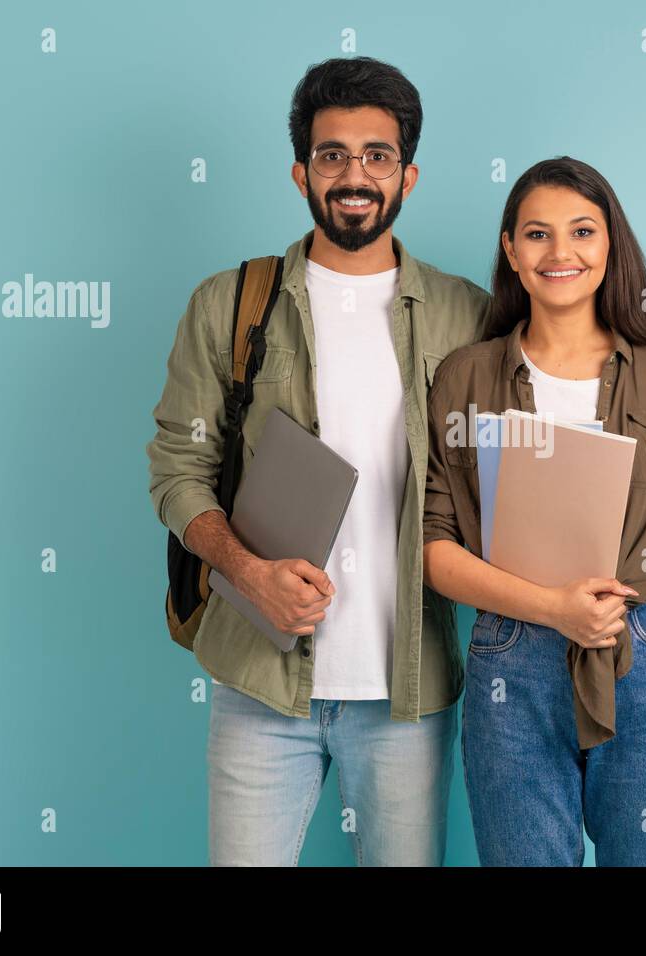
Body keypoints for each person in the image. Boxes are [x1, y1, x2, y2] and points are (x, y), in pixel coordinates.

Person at [145, 57, 493, 866]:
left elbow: (525, 441)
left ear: (409, 174)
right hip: (257, 683)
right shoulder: (229, 304)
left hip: (409, 694)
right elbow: (176, 469)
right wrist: (246, 568)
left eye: (377, 155)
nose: (354, 175)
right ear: (302, 171)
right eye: (332, 154)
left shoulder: (466, 311)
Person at [422, 156, 646, 866]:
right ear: (510, 252)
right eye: (537, 235)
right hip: (512, 658)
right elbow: (435, 551)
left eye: (582, 231)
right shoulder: (465, 374)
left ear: (610, 243)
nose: (561, 253)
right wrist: (553, 607)